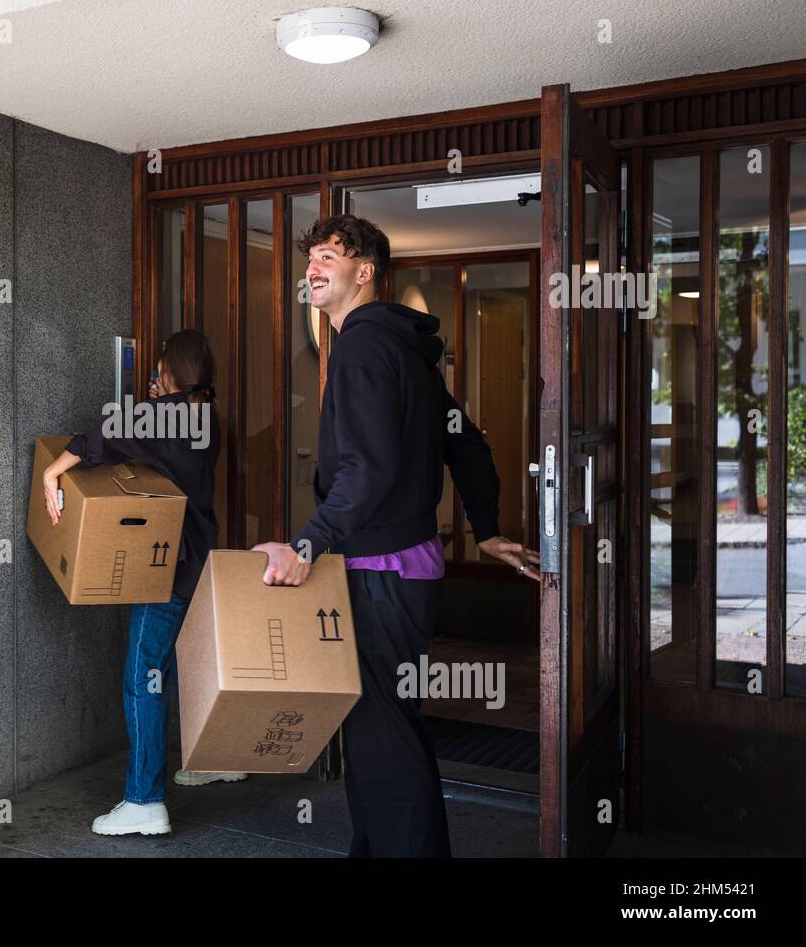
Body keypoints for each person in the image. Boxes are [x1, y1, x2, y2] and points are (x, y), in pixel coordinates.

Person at [250, 214, 540, 858]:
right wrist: (486, 530)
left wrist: (307, 545)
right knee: (384, 725)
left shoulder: (361, 345)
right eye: (311, 258)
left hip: (379, 570)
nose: (314, 268)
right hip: (404, 566)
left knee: (383, 731)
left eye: (330, 255)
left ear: (366, 270)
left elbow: (368, 467)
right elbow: (468, 443)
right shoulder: (404, 351)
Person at [41, 329, 238, 837]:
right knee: (171, 670)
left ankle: (145, 800)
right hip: (196, 558)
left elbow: (104, 435)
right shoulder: (204, 417)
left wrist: (52, 472)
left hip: (166, 566)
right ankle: (202, 759)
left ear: (170, 370)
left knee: (141, 675)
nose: (152, 379)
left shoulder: (170, 416)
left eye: (157, 371)